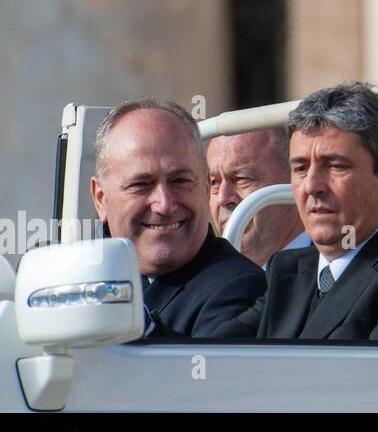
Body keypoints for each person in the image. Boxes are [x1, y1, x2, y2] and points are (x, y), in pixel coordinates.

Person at [216, 82, 378, 342]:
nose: (312, 186)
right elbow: (216, 352)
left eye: (336, 166)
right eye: (300, 168)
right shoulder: (288, 269)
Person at [89, 100, 265, 337]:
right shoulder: (82, 273)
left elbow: (200, 370)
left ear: (205, 186)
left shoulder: (240, 287)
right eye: (141, 184)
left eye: (180, 181)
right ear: (101, 199)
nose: (164, 204)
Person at [208, 128, 310, 267]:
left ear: (294, 177)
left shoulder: (336, 270)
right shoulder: (200, 278)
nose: (222, 198)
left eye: (241, 178)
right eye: (214, 182)